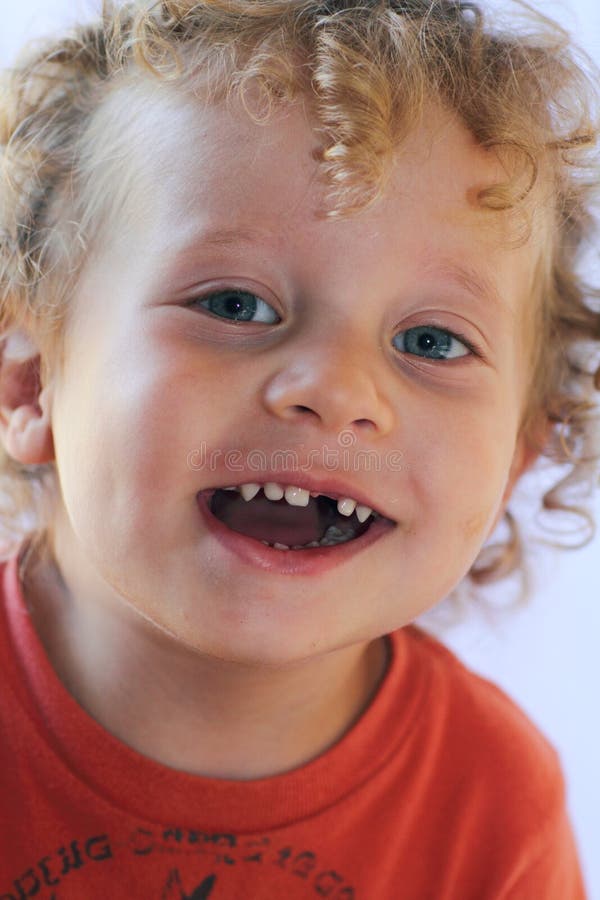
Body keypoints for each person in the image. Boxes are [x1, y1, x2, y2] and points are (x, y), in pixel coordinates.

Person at [0, 0, 598, 896]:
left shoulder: (490, 799)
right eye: (235, 305)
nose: (337, 390)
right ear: (31, 381)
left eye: (431, 342)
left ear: (519, 449)